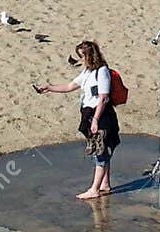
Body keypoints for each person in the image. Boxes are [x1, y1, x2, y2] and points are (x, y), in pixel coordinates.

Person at [34, 41, 120, 199]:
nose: (80, 59)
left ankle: (94, 189)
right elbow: (69, 86)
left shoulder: (102, 72)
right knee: (101, 148)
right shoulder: (88, 72)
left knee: (100, 151)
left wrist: (95, 120)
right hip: (90, 115)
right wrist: (49, 88)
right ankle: (105, 184)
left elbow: (103, 98)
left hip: (101, 116)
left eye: (82, 56)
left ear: (90, 56)